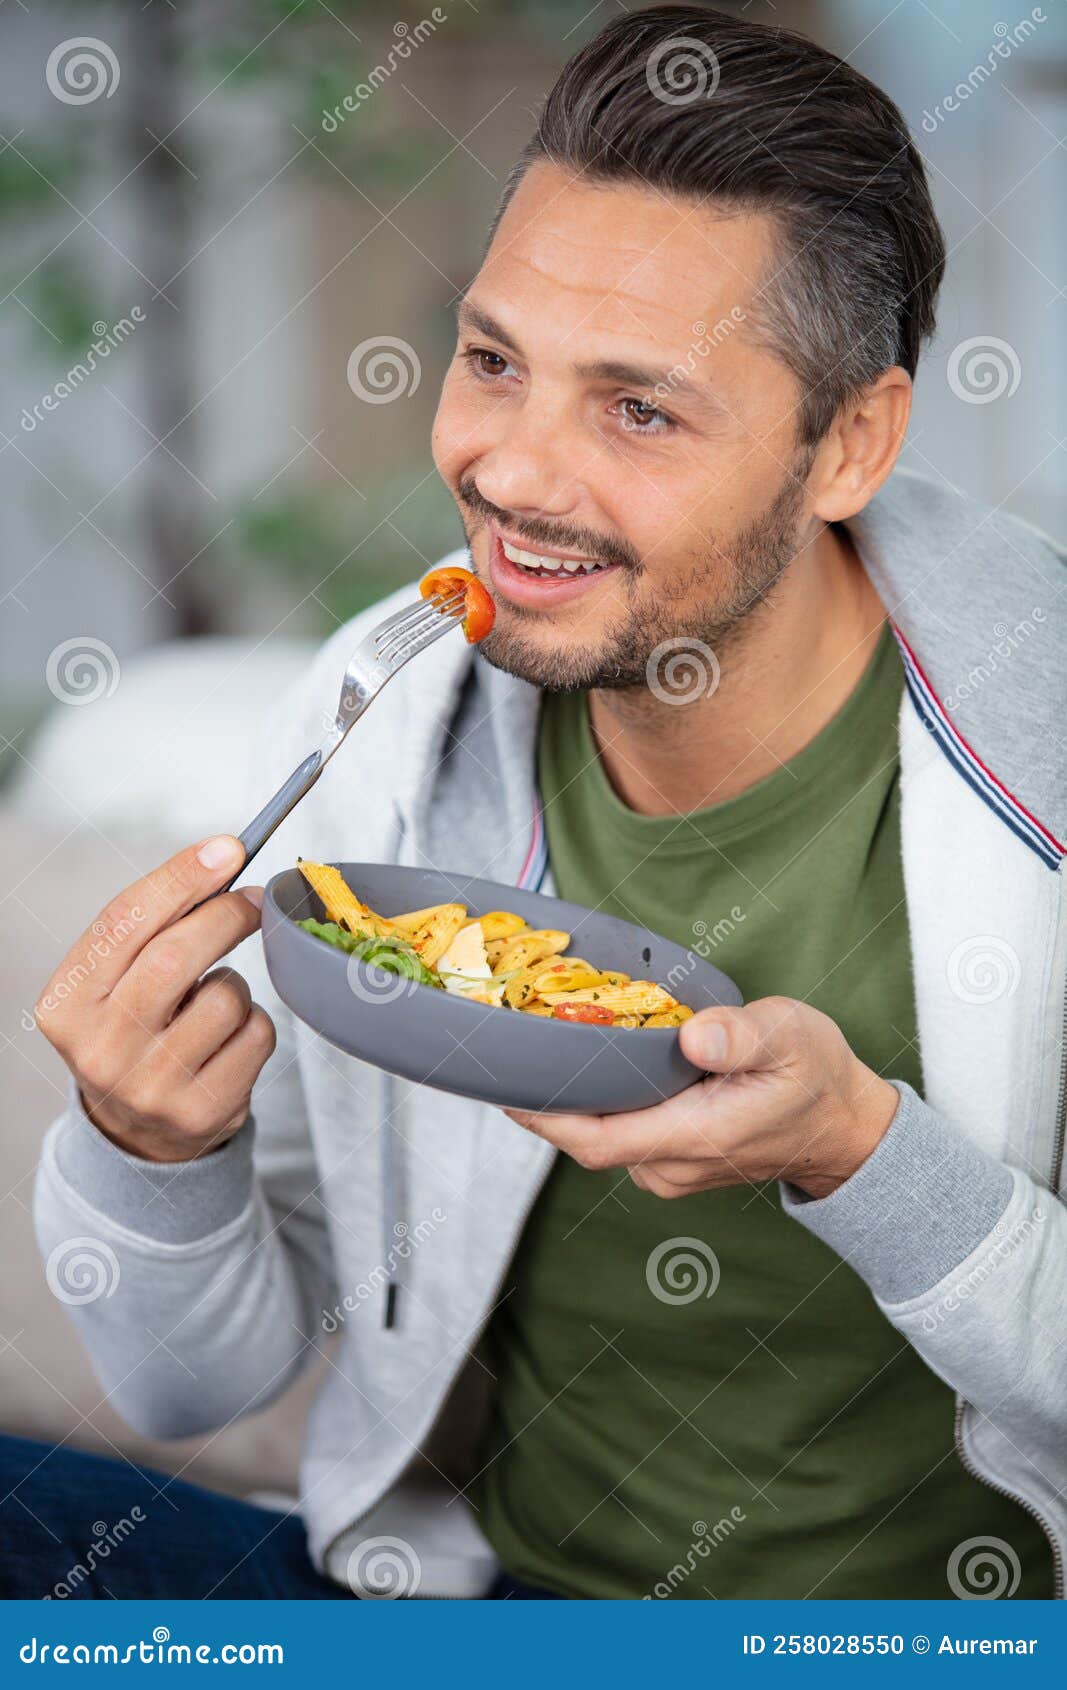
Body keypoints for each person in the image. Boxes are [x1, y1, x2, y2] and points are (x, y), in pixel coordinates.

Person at [9, 5, 1065, 1601]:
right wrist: (145, 1148)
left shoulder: (1037, 749)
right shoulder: (379, 717)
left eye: (638, 409)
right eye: (493, 359)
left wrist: (863, 1151)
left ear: (850, 440)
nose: (512, 473)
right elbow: (194, 1385)